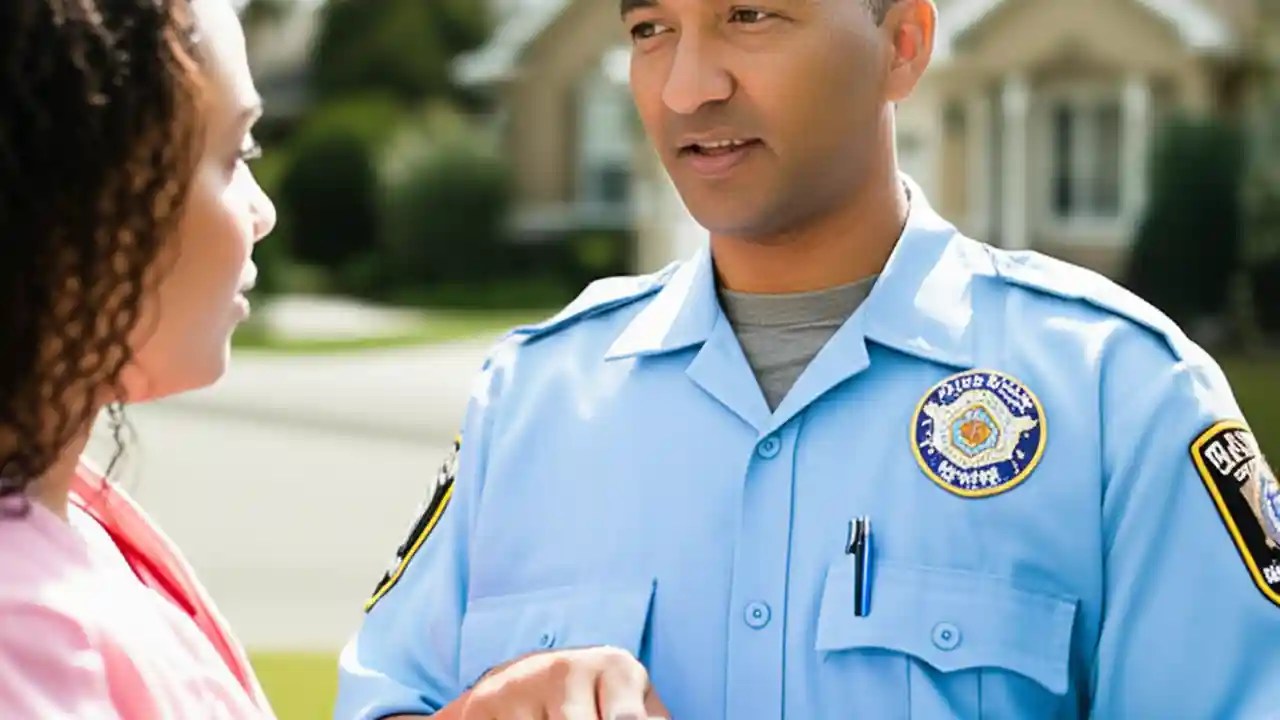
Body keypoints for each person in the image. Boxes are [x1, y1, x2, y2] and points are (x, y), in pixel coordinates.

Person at [334, 0, 1280, 717]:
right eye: (652, 28)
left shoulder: (1123, 395)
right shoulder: (531, 399)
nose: (686, 87)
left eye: (749, 15)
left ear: (903, 45)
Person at [0, 0, 277, 716]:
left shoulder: (63, 521)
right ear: (78, 196)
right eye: (236, 154)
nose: (262, 212)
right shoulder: (25, 633)